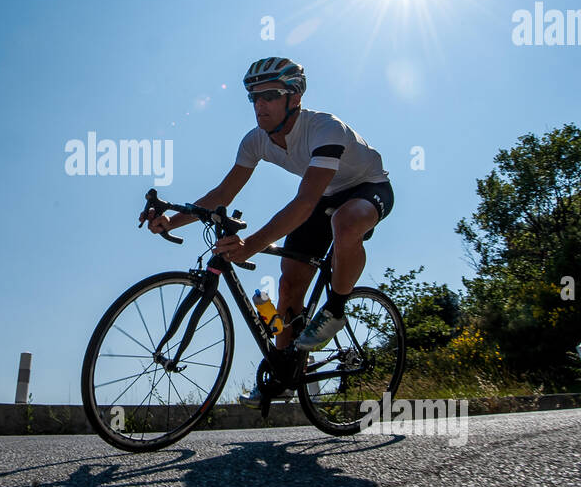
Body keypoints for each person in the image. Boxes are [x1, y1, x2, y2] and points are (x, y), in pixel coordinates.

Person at [140, 57, 393, 405]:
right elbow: (222, 195)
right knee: (287, 286)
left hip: (366, 187)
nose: (260, 105)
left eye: (270, 96)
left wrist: (251, 245)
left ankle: (335, 309)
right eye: (253, 98)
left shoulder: (324, 129)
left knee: (345, 223)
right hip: (323, 197)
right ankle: (286, 375)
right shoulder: (255, 141)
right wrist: (172, 219)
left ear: (294, 99)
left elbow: (304, 202)